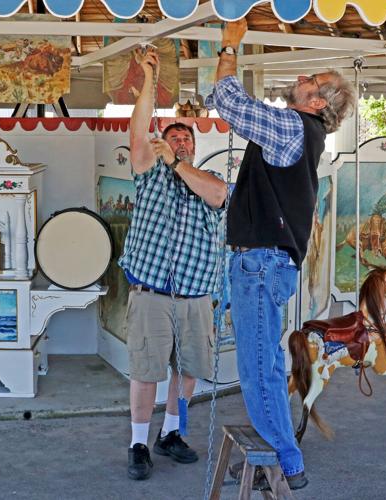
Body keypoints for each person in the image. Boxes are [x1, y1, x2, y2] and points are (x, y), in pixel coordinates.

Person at [205, 20, 356, 490]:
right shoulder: (299, 132)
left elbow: (228, 101)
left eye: (316, 80)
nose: (306, 79)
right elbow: (222, 106)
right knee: (266, 365)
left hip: (260, 262)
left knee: (258, 370)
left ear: (318, 103)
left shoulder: (294, 127)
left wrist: (230, 44)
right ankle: (276, 451)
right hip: (267, 262)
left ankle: (285, 462)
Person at [118, 48, 227, 481]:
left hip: (196, 297)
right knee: (147, 370)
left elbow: (219, 197)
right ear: (162, 142)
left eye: (187, 140)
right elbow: (137, 131)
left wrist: (178, 162)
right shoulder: (149, 172)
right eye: (174, 137)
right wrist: (149, 79)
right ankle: (139, 442)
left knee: (188, 371)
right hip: (152, 294)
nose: (181, 142)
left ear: (194, 149)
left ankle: (172, 432)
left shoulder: (207, 182)